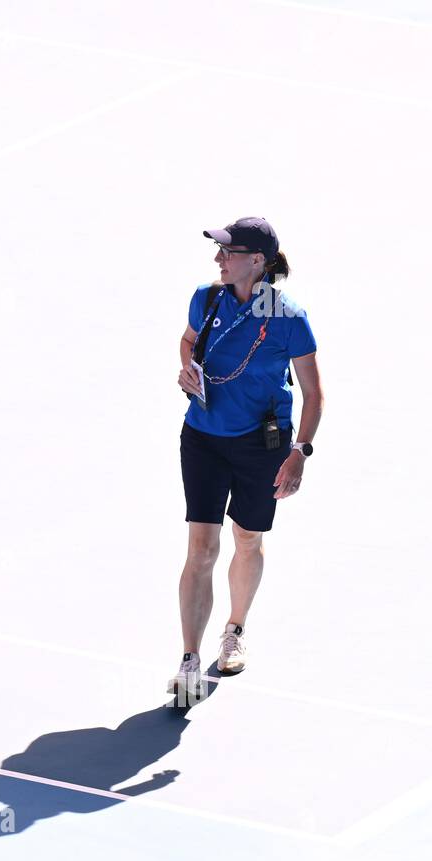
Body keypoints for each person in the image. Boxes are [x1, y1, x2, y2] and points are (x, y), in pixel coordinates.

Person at [170, 217, 322, 700]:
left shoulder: (289, 319)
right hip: (203, 437)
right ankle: (190, 660)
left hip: (261, 444)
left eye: (227, 252)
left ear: (257, 261)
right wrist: (186, 369)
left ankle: (235, 628)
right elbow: (189, 340)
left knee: (247, 538)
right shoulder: (207, 297)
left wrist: (299, 453)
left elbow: (315, 394)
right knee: (202, 547)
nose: (218, 259)